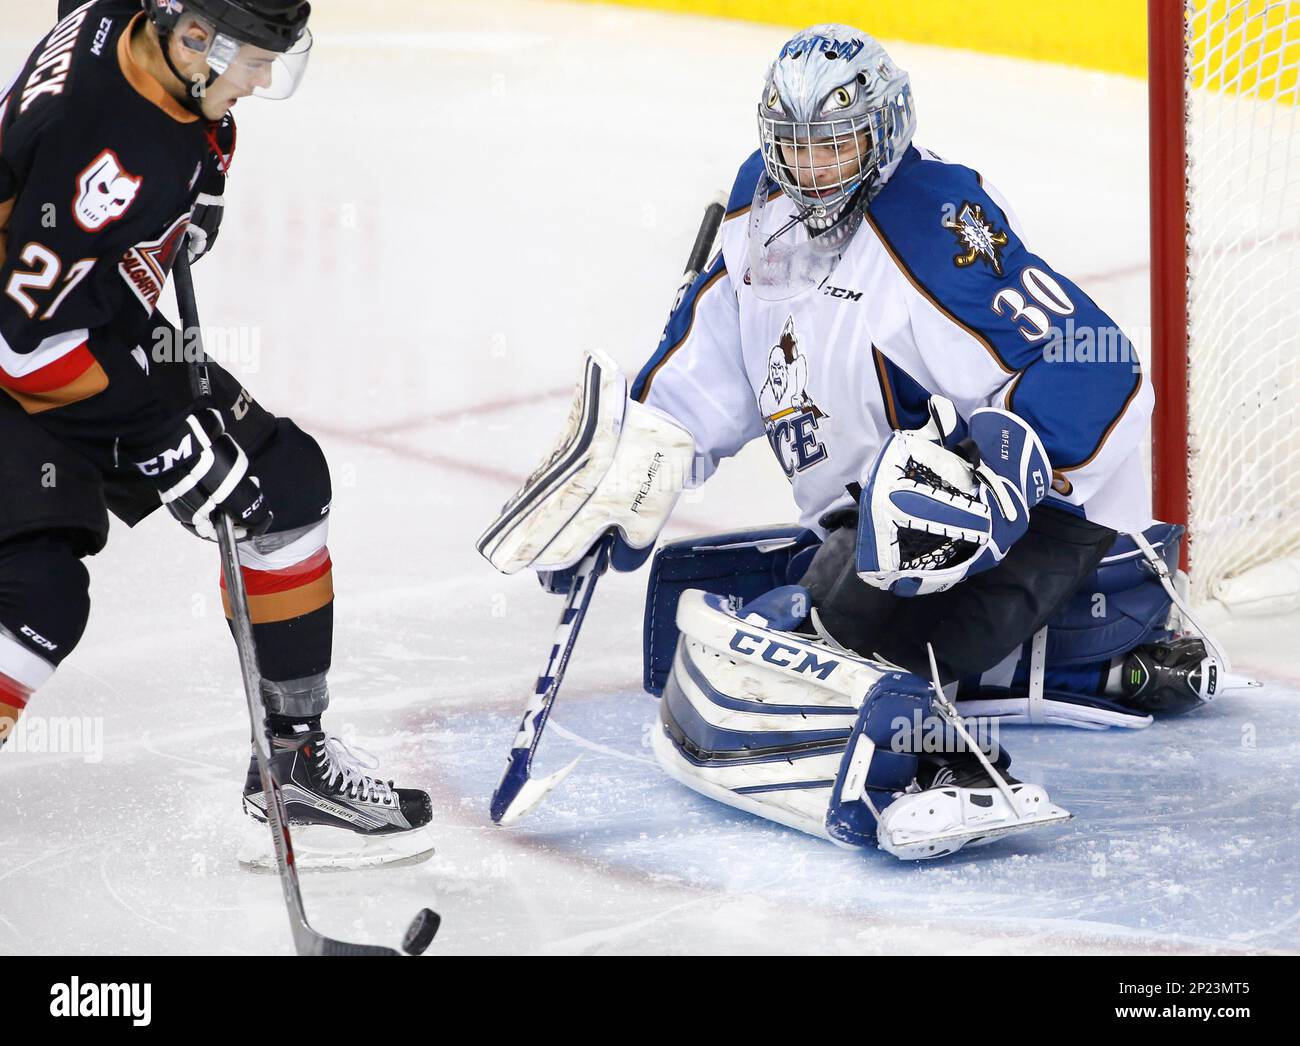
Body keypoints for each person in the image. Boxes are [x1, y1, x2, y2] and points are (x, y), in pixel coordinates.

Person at [480, 23, 1224, 859]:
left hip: (1039, 516)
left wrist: (1002, 475)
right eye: (796, 147)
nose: (813, 169)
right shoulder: (757, 212)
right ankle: (1075, 654)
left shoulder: (931, 218)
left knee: (819, 619)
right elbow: (701, 373)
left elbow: (1101, 366)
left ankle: (945, 764)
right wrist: (633, 466)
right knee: (783, 597)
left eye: (836, 144)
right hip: (879, 524)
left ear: (885, 132)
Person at [0, 0, 431, 861]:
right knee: (36, 598)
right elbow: (28, 352)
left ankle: (290, 760)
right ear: (193, 38)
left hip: (95, 323)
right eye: (254, 59)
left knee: (284, 484)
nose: (264, 78)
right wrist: (166, 440)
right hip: (35, 353)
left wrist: (195, 191)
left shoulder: (140, 34)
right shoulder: (104, 151)